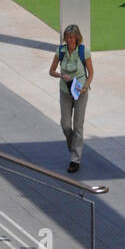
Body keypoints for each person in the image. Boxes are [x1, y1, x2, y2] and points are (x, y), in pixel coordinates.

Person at [49, 24, 94, 173]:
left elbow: (91, 73)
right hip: (65, 91)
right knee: (66, 125)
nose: (69, 40)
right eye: (67, 37)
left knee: (78, 126)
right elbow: (51, 71)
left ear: (77, 38)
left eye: (72, 38)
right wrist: (61, 75)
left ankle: (75, 159)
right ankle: (73, 146)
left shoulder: (83, 52)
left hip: (80, 93)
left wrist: (85, 86)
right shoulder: (60, 51)